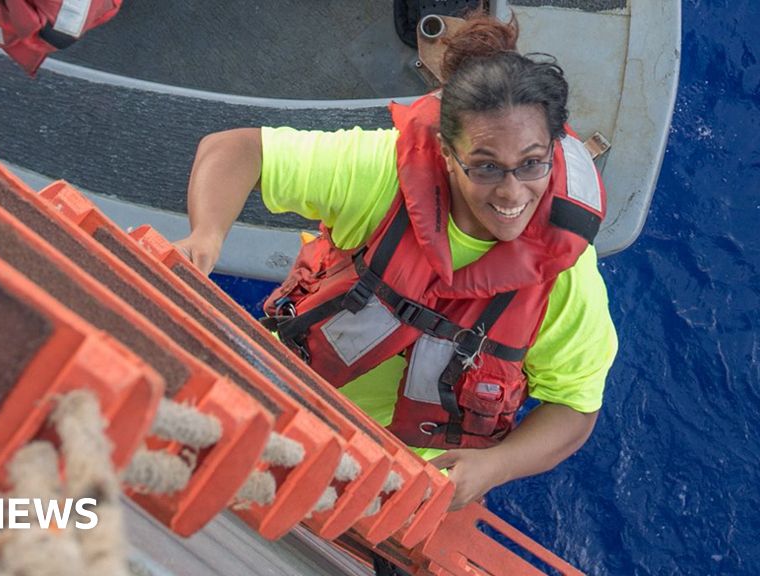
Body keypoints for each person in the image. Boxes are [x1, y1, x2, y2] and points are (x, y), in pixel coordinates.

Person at [173, 9, 617, 512]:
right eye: (486, 167)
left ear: (555, 151)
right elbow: (237, 150)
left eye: (531, 164)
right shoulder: (384, 176)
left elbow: (576, 405)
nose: (512, 192)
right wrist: (205, 238)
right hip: (274, 394)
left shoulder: (564, 276)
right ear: (448, 154)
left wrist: (497, 466)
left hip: (398, 483)